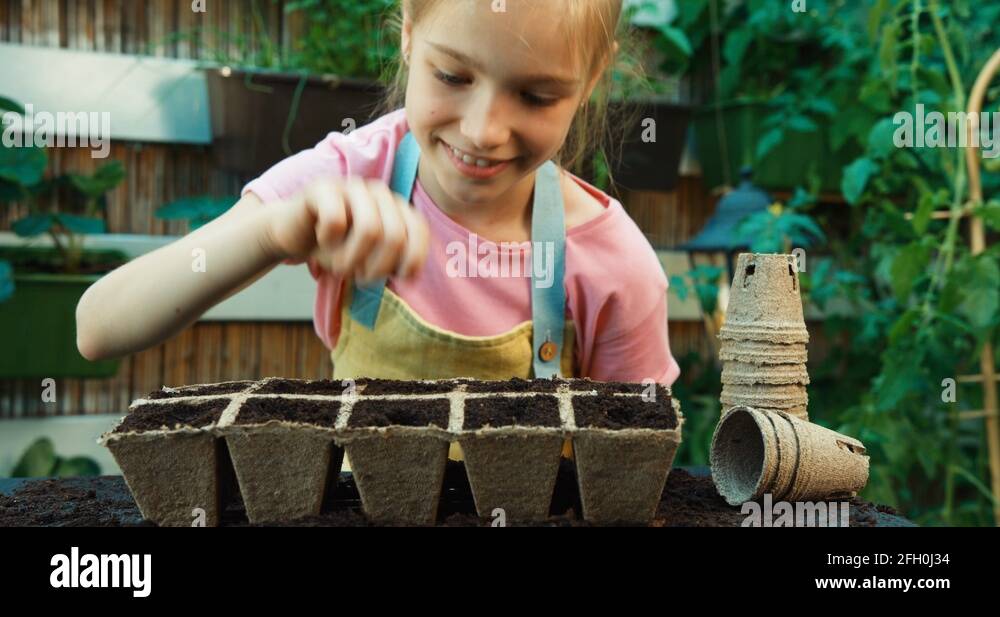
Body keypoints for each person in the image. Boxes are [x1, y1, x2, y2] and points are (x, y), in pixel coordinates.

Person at [76, 0, 681, 390]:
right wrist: (273, 232)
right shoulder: (349, 175)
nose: (481, 131)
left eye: (537, 96)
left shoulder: (614, 265)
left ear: (592, 80)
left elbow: (631, 463)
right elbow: (99, 326)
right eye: (452, 76)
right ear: (409, 35)